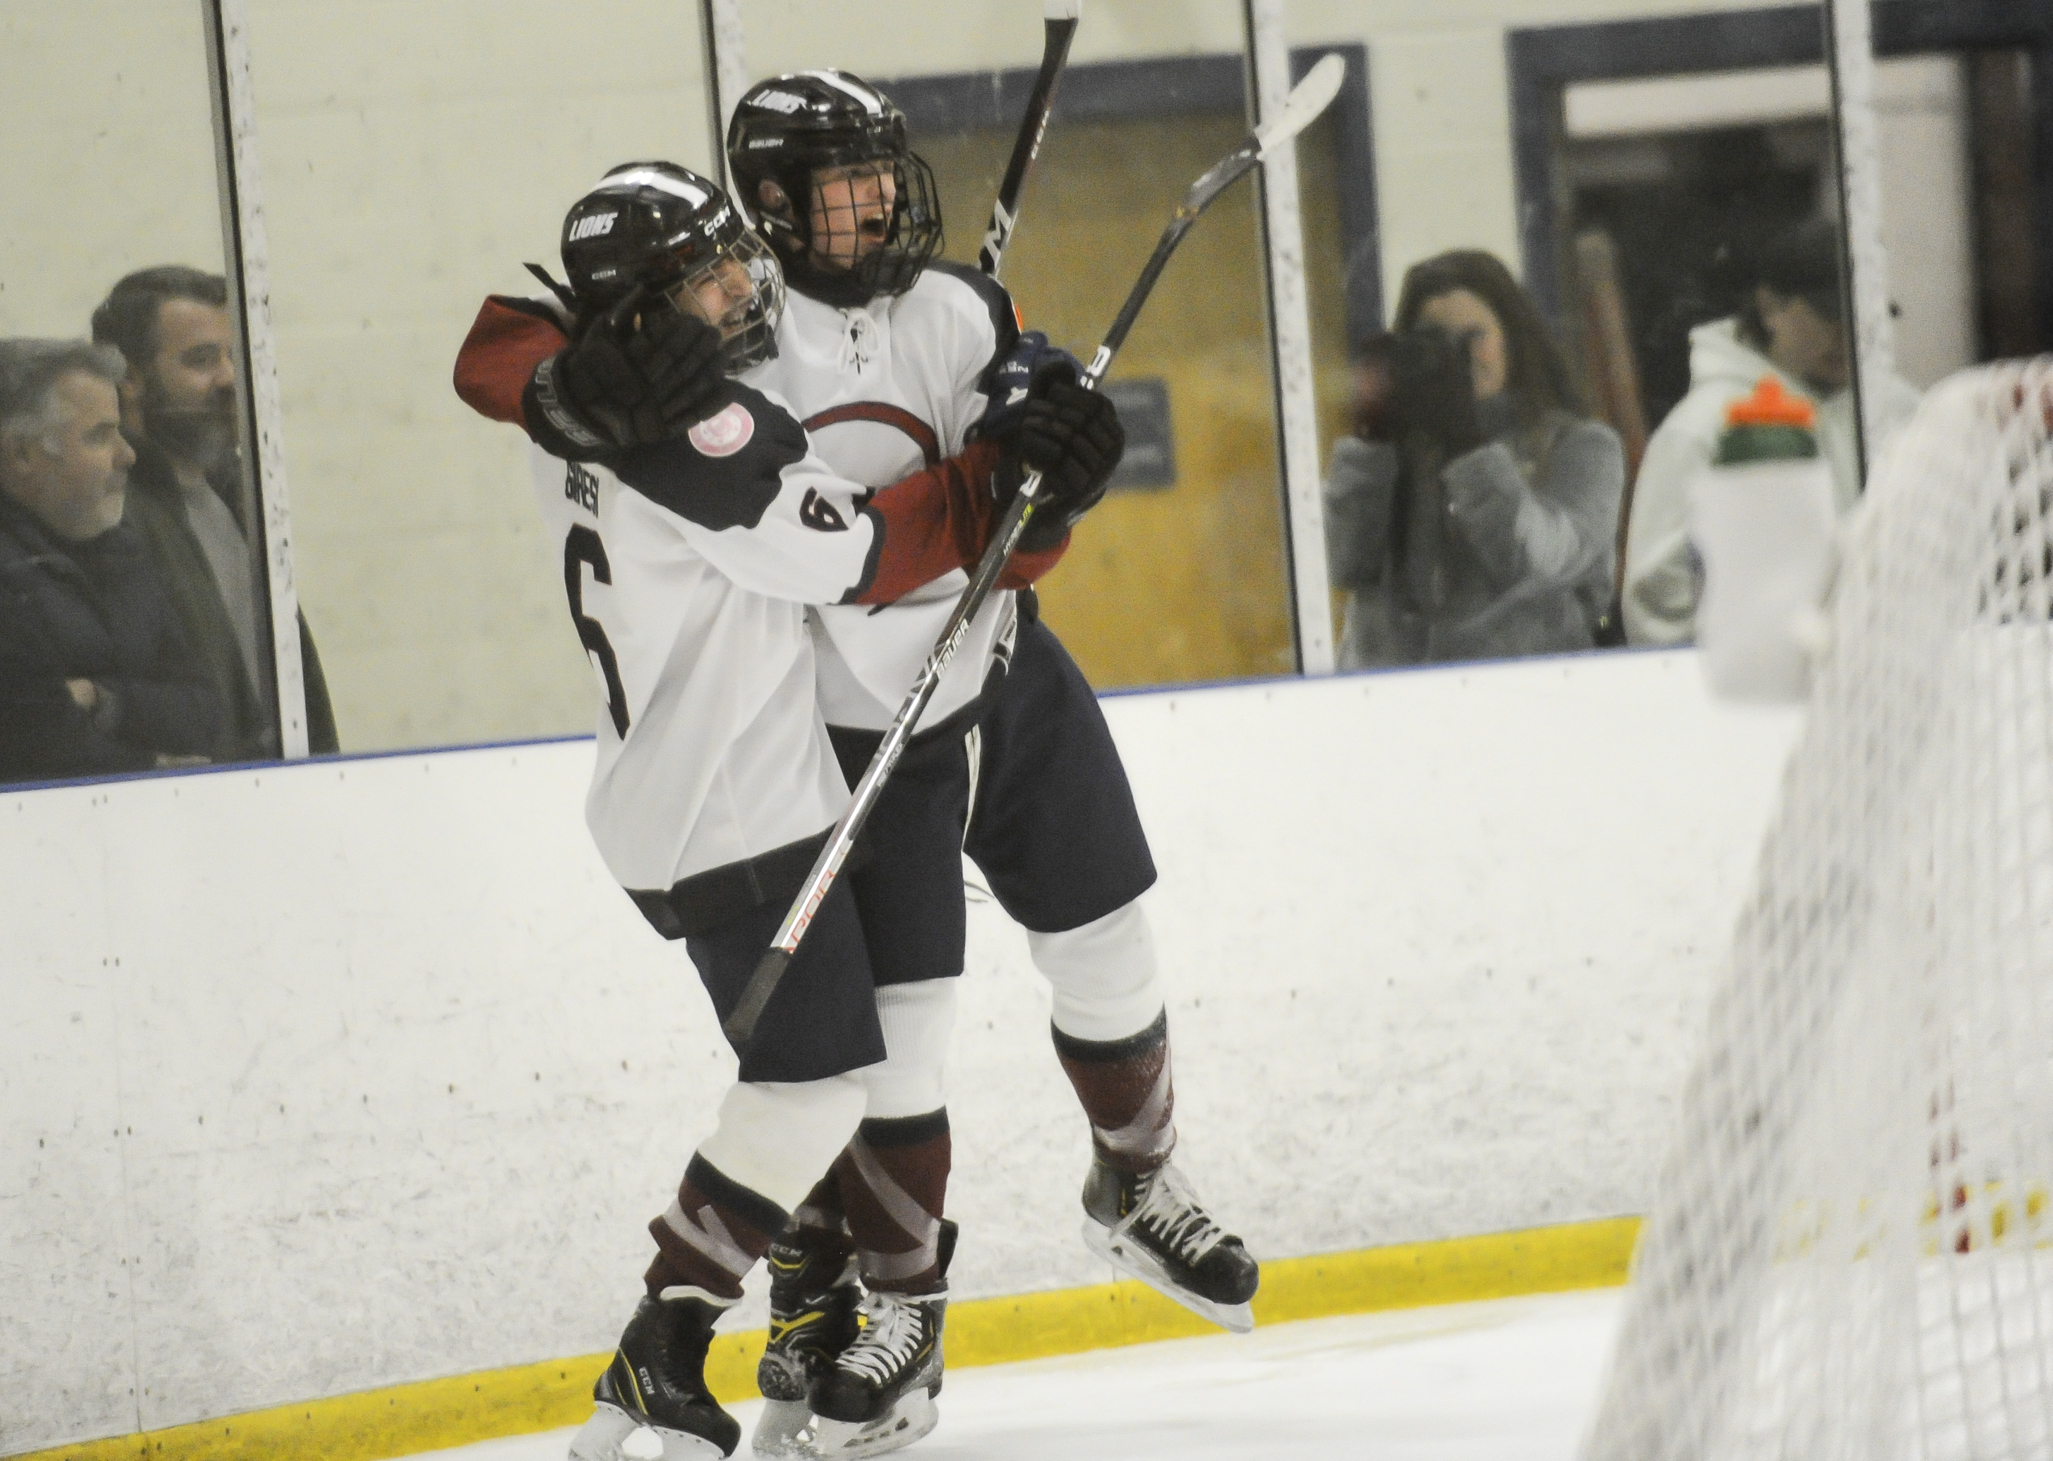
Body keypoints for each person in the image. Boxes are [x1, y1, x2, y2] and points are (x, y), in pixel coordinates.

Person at [454, 70, 1258, 1459]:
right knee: (893, 1048)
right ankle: (897, 1318)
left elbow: (1021, 488)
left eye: (887, 175)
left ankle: (1135, 1182)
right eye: (844, 183)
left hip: (998, 673)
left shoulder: (941, 305)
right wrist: (546, 377)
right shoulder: (702, 361)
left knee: (1107, 943)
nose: (880, 200)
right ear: (764, 209)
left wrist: (1050, 458)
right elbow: (511, 347)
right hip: (845, 739)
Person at [1621, 218, 1921, 646]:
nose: (1848, 331)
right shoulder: (1702, 428)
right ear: (1769, 308)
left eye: (1865, 313)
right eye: (1829, 313)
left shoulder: (1903, 411)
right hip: (1757, 693)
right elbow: (1657, 603)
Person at [1322, 249, 1625, 668]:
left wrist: (1469, 445)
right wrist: (1372, 439)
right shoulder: (1392, 452)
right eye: (1435, 340)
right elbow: (1341, 564)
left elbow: (1541, 563)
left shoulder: (1580, 447)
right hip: (1387, 705)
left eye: (1472, 338)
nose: (1456, 357)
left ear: (1512, 340)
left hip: (1525, 703)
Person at [90, 266, 339, 757]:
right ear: (129, 377)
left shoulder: (236, 490)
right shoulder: (105, 511)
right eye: (201, 360)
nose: (229, 379)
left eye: (234, 357)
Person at [0, 339, 222, 780]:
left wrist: (103, 700)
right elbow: (35, 736)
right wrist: (150, 765)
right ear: (21, 454)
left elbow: (205, 711)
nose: (128, 454)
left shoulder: (127, 553)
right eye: (99, 435)